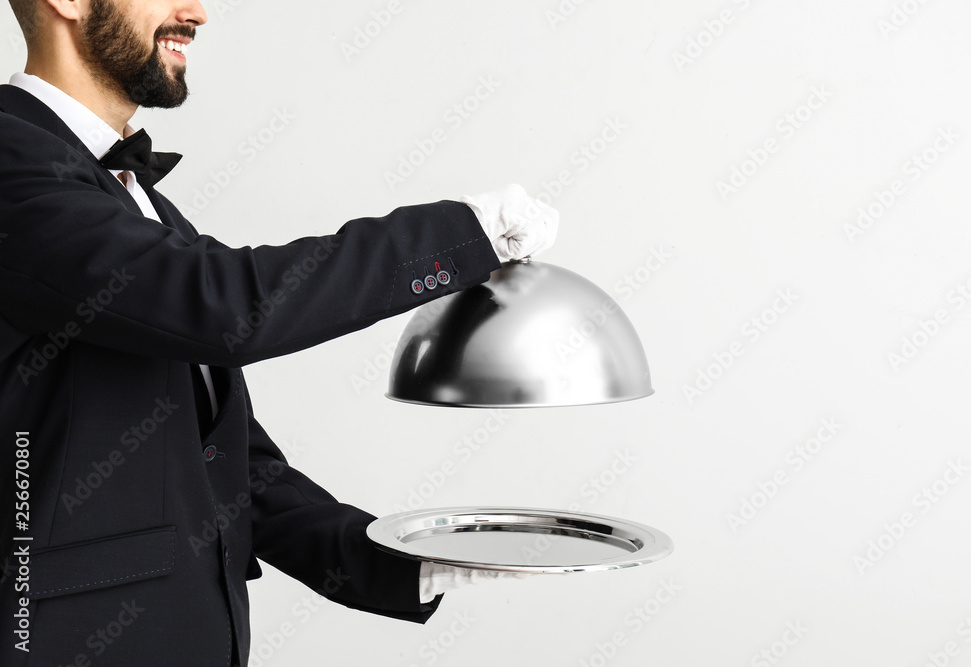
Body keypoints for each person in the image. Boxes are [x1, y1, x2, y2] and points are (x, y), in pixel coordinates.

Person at [0, 0, 558, 664]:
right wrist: (460, 234)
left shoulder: (135, 202)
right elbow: (226, 307)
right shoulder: (12, 161)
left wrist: (404, 562)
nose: (197, 11)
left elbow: (234, 468)